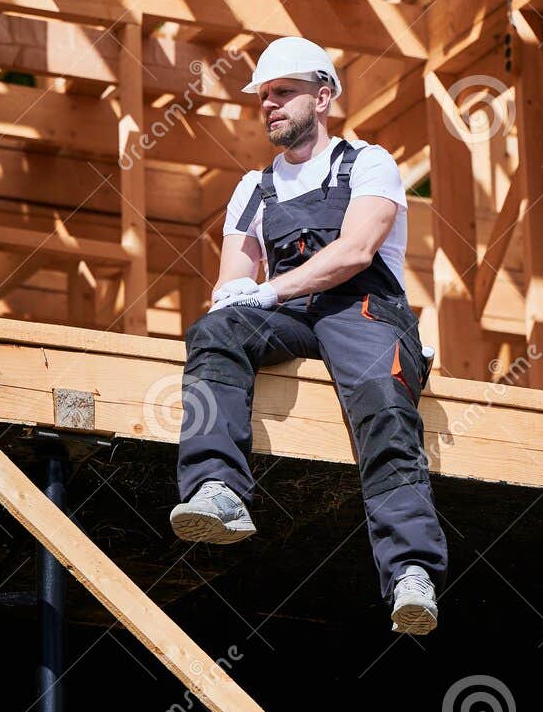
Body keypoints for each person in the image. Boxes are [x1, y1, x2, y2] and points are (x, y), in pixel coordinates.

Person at [169, 36, 448, 634]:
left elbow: (354, 252)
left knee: (381, 401)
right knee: (215, 330)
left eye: (284, 93)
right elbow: (235, 281)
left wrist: (268, 292)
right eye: (264, 95)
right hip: (295, 313)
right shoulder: (253, 189)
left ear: (323, 98)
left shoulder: (367, 163)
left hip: (363, 304)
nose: (270, 104)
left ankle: (410, 570)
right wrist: (237, 301)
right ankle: (216, 488)